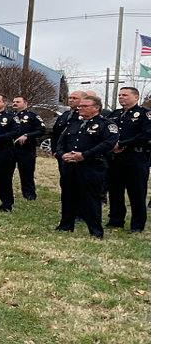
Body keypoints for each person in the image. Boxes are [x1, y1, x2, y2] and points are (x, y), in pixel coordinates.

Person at [54, 95, 118, 238]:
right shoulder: (74, 123)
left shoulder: (106, 124)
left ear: (96, 108)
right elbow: (61, 140)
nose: (80, 108)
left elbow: (108, 143)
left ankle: (95, 231)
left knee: (90, 198)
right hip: (69, 165)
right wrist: (61, 154)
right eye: (80, 106)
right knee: (68, 196)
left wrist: (85, 154)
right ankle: (65, 226)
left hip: (91, 166)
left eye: (84, 106)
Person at [105, 86, 152, 233]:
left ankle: (137, 225)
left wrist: (123, 144)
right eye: (119, 95)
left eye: (125, 95)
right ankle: (116, 220)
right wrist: (111, 145)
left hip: (135, 157)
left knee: (137, 192)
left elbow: (146, 135)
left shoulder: (145, 114)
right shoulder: (115, 115)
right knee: (115, 191)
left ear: (136, 97)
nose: (121, 97)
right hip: (115, 157)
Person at [9, 95, 45, 200]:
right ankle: (3, 191)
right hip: (10, 149)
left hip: (26, 150)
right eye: (13, 102)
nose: (15, 103)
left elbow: (41, 130)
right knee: (6, 172)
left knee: (27, 173)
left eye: (18, 102)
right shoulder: (9, 116)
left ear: (25, 104)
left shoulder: (32, 116)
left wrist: (27, 136)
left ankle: (29, 194)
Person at [49, 90, 85, 172]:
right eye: (70, 98)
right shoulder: (65, 115)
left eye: (75, 98)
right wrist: (55, 151)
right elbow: (55, 133)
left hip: (76, 154)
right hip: (62, 153)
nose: (71, 100)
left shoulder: (84, 116)